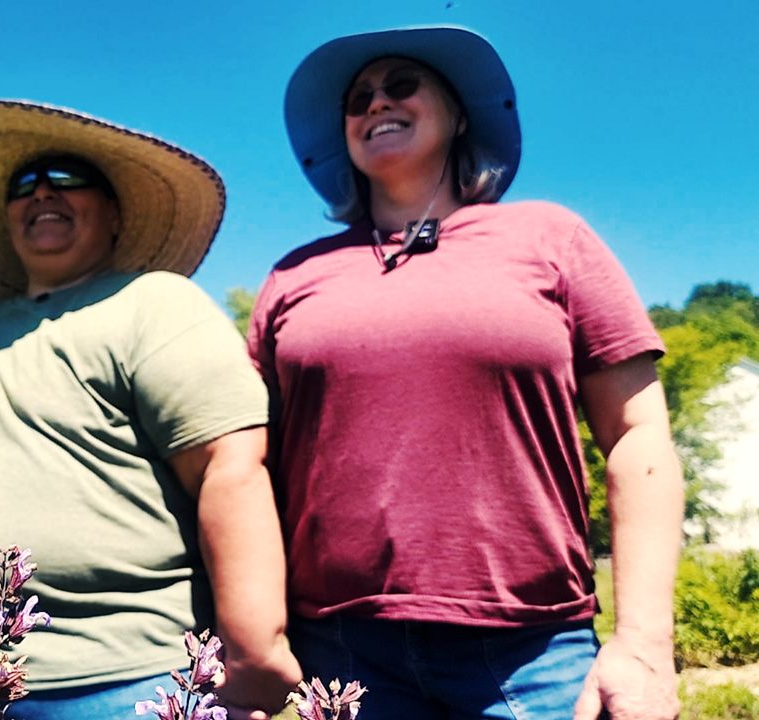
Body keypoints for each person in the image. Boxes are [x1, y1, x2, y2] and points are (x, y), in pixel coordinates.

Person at [249, 26, 683, 719]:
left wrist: (644, 644)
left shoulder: (551, 238)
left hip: (534, 652)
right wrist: (250, 639)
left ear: (458, 116)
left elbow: (638, 437)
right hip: (337, 649)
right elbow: (246, 468)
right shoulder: (293, 276)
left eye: (401, 86)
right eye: (358, 99)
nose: (375, 103)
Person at [0, 99, 301, 720]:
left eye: (70, 179)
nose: (43, 192)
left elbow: (229, 468)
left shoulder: (153, 304)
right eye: (25, 184)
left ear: (114, 214)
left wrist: (255, 648)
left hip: (117, 680)